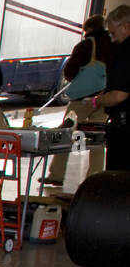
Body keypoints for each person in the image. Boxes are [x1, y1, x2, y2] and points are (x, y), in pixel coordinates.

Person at [46, 15, 115, 183]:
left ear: (88, 29)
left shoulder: (85, 45)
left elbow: (69, 72)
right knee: (98, 139)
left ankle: (57, 175)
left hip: (83, 99)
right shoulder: (114, 44)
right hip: (106, 97)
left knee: (68, 133)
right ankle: (93, 178)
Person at [102, 5, 130, 172]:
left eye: (113, 33)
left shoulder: (126, 52)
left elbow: (119, 95)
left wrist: (98, 100)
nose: (113, 39)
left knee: (118, 180)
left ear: (125, 26)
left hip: (125, 129)